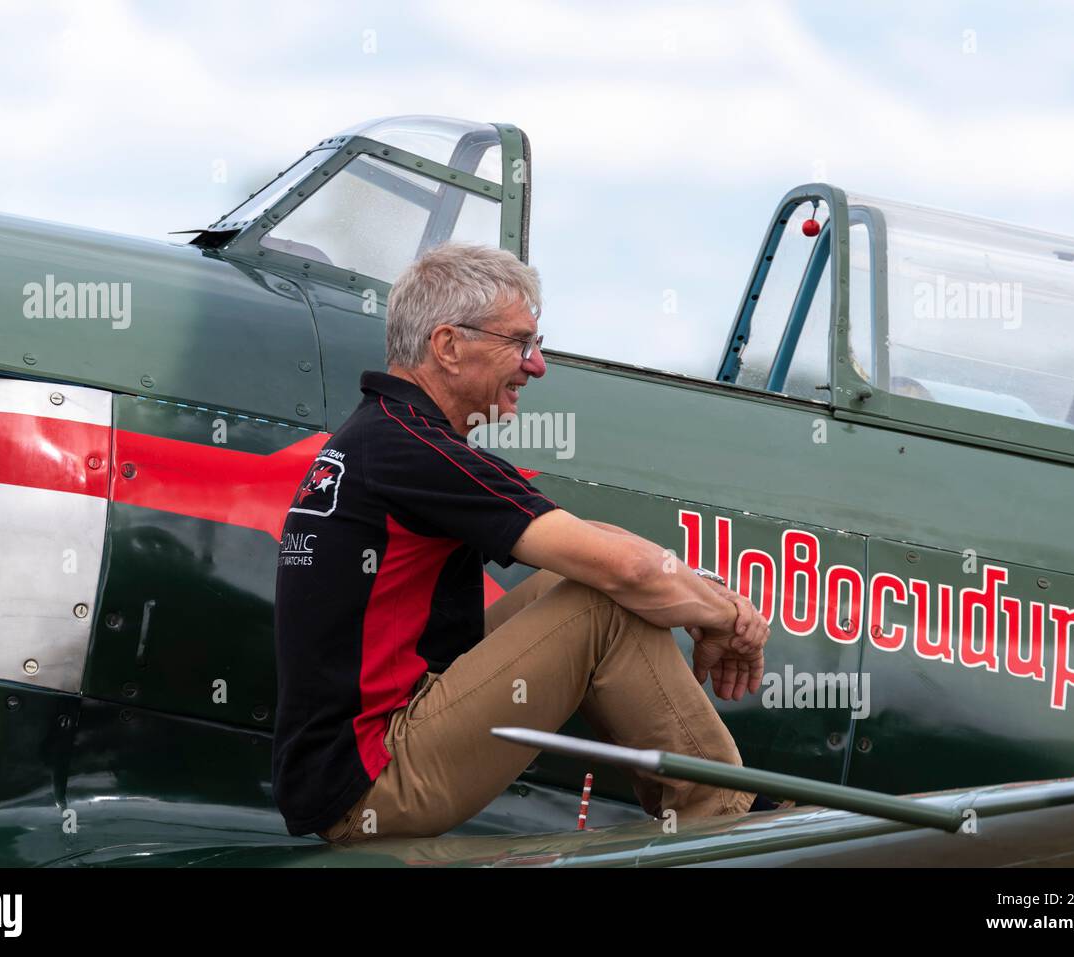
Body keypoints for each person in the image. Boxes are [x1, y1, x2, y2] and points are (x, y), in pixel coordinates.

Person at [272, 242, 770, 844]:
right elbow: (626, 574)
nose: (537, 367)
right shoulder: (408, 449)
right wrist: (733, 618)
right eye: (520, 343)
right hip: (374, 780)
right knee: (603, 604)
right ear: (449, 346)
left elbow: (595, 543)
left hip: (359, 762)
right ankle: (733, 829)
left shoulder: (392, 435)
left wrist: (708, 595)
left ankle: (712, 811)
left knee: (580, 581)